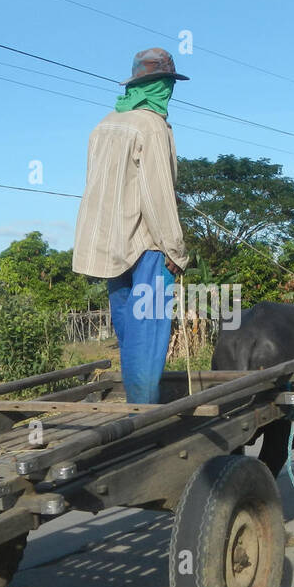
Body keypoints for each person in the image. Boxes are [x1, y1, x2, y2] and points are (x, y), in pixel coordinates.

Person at [73, 48, 190, 404]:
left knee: (128, 334)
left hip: (109, 245)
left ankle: (134, 407)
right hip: (146, 246)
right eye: (167, 83)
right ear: (162, 85)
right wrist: (176, 250)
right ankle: (142, 416)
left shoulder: (103, 126)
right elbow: (157, 195)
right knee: (148, 336)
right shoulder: (153, 126)